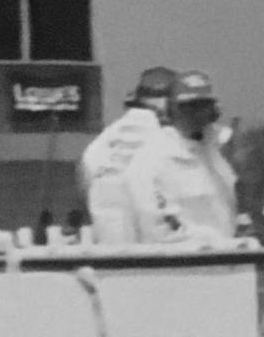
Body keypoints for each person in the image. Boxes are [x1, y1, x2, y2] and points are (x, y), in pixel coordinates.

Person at [112, 69, 239, 245]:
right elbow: (158, 229)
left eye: (204, 105)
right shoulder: (152, 159)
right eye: (189, 105)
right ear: (172, 108)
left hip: (228, 262)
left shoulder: (215, 157)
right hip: (179, 266)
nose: (198, 113)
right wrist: (215, 243)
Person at [80, 65, 176, 243]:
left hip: (110, 256)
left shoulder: (98, 146)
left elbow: (85, 189)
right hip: (161, 253)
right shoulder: (170, 141)